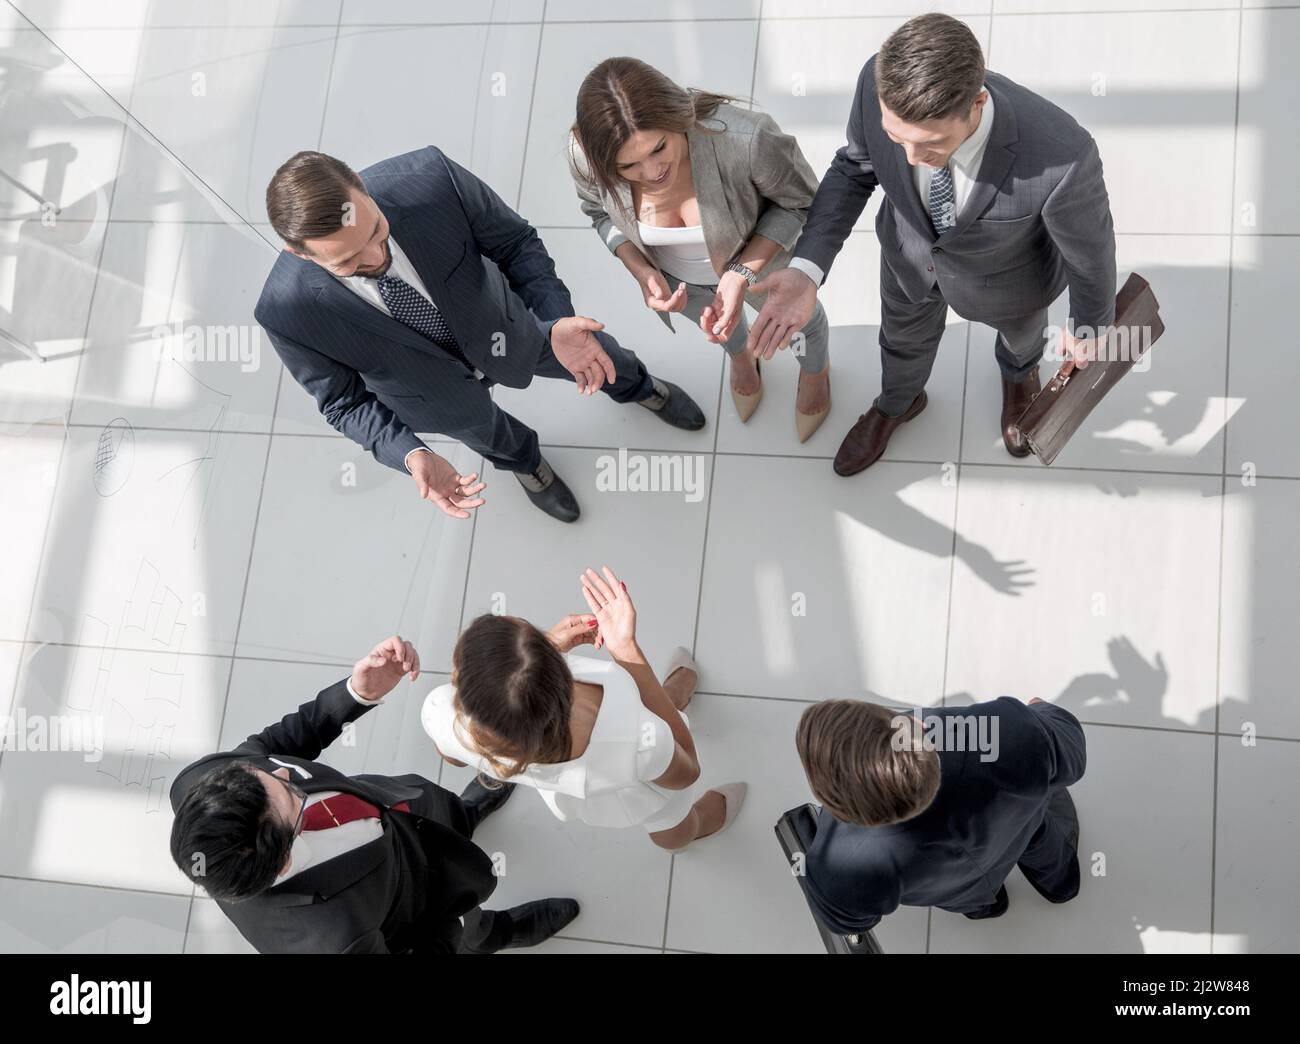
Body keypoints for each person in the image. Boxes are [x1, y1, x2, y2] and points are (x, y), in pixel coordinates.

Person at [255, 148, 706, 524]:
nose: (377, 256)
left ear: (358, 182)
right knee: (493, 438)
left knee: (601, 356)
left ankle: (640, 388)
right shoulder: (285, 311)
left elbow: (516, 244)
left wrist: (556, 321)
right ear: (299, 253)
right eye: (349, 262)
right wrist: (410, 454)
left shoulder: (431, 179)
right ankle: (529, 465)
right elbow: (343, 403)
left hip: (511, 328)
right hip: (433, 397)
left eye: (375, 230)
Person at [747, 13, 1117, 471]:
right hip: (908, 260)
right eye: (895, 138)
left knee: (1022, 342)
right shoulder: (874, 79)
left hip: (1011, 283)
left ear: (977, 102)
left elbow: (1090, 256)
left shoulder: (1063, 156)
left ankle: (1019, 375)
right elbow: (854, 170)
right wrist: (807, 270)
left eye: (931, 145)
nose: (911, 159)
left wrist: (1090, 326)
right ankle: (898, 403)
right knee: (900, 343)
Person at [169, 635, 578, 953]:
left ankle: (464, 815)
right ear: (285, 860)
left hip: (401, 805)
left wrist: (356, 692)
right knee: (469, 925)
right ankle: (492, 936)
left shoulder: (202, 783)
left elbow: (278, 743)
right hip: (424, 895)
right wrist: (448, 927)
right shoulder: (330, 939)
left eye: (261, 773)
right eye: (290, 791)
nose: (280, 769)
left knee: (449, 814)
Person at [568, 57, 832, 442]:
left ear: (678, 117)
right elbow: (597, 212)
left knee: (801, 325)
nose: (652, 171)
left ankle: (815, 371)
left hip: (763, 270)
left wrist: (740, 273)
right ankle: (742, 359)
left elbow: (802, 202)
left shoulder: (745, 139)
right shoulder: (586, 158)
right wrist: (640, 270)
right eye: (629, 166)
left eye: (659, 147)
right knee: (721, 331)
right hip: (680, 283)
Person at [422, 567, 745, 851]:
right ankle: (697, 824)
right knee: (671, 825)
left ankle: (671, 698)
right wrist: (625, 650)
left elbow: (452, 754)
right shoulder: (642, 744)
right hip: (644, 777)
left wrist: (539, 654)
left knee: (652, 720)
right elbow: (687, 771)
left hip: (590, 793)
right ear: (562, 674)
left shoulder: (440, 711)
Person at [794, 696, 1085, 934]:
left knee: (974, 900)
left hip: (951, 891)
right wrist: (1038, 713)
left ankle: (990, 908)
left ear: (836, 806)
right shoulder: (1009, 734)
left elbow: (847, 923)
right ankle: (1061, 886)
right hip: (1022, 827)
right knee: (1046, 845)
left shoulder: (838, 871)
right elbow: (1074, 757)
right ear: (916, 724)